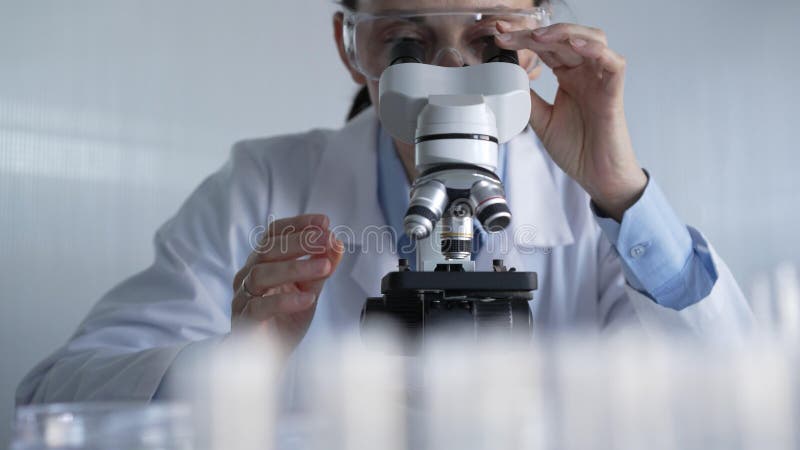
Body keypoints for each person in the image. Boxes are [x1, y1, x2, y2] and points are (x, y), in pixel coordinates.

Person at [17, 0, 754, 405]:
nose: (450, 70)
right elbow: (51, 398)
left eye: (490, 39)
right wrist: (235, 363)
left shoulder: (594, 206)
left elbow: (738, 397)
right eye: (406, 42)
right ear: (351, 46)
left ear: (537, 45)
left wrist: (623, 195)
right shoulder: (262, 184)